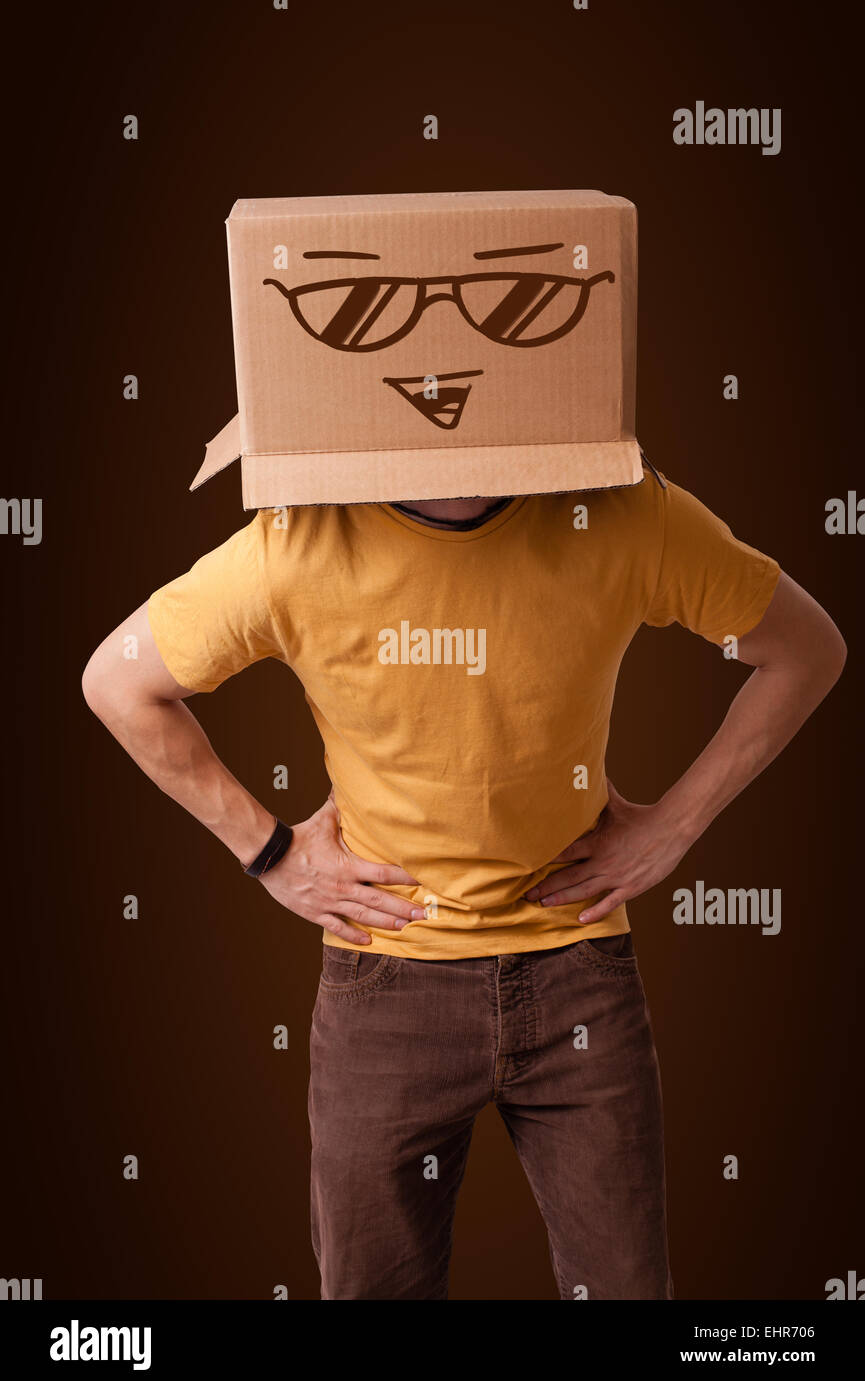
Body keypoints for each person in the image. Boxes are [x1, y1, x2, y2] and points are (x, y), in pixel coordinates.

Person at [81, 468, 846, 1300]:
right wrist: (273, 854)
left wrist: (675, 824)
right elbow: (118, 682)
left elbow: (807, 650)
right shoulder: (295, 544)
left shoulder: (625, 514)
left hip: (576, 967)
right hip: (385, 973)